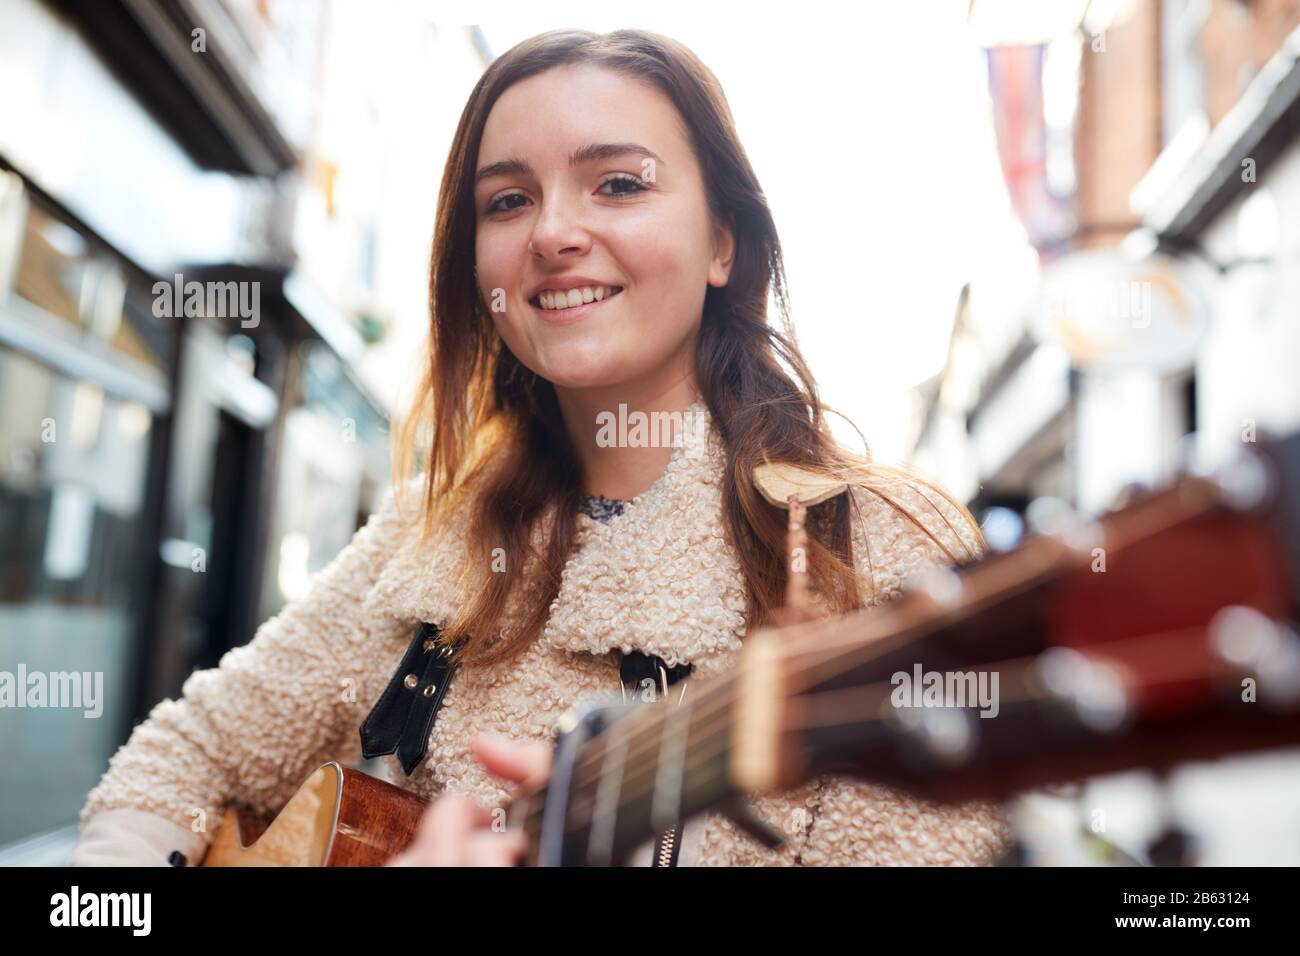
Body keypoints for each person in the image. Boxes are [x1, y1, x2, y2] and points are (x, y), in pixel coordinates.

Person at [70, 28, 1009, 867]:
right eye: (509, 199)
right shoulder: (421, 542)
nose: (555, 233)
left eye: (620, 184)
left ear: (724, 244)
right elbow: (178, 760)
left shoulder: (873, 548)